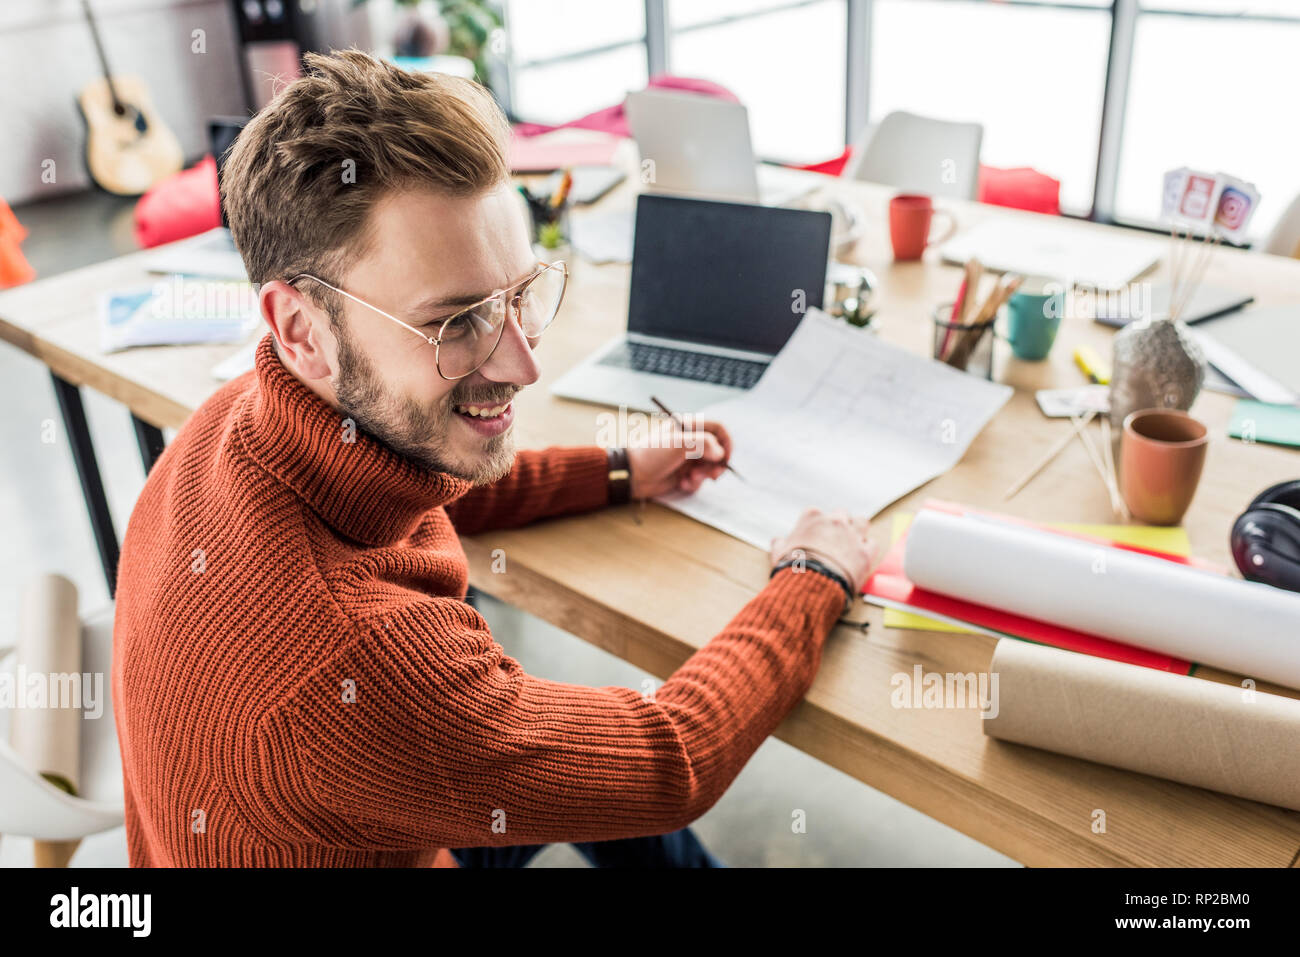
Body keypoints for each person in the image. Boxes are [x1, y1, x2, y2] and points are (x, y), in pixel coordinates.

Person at [111, 50, 875, 868]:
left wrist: (620, 469)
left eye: (520, 294)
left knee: (580, 755)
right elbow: (671, 759)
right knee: (619, 768)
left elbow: (422, 488)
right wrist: (812, 573)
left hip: (341, 818)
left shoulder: (237, 421)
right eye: (458, 321)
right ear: (302, 329)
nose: (523, 363)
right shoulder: (359, 663)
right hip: (387, 801)